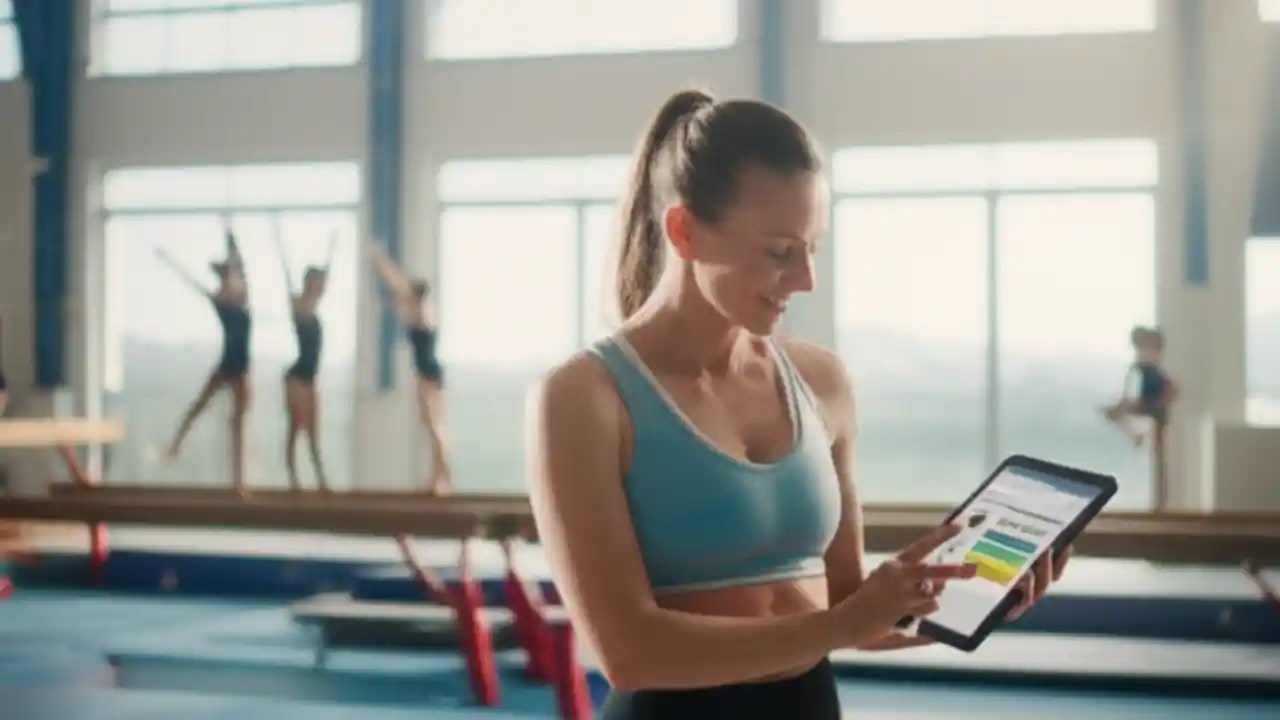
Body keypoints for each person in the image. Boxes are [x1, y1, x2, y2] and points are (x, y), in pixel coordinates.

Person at [524, 88, 1073, 718]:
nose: (806, 279)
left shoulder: (822, 381)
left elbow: (856, 614)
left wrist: (966, 602)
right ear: (684, 231)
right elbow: (628, 652)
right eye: (780, 253)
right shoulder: (582, 398)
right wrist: (840, 626)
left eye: (813, 248)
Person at [157, 224, 252, 497]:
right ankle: (176, 444)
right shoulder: (222, 298)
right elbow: (192, 281)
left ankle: (239, 481)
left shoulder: (242, 293)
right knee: (200, 406)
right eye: (225, 275)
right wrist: (169, 261)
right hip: (228, 363)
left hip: (241, 367)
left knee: (238, 422)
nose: (228, 278)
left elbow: (239, 262)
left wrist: (229, 233)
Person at [367, 242, 452, 495]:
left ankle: (440, 479)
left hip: (426, 373)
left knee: (433, 426)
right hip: (432, 370)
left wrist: (379, 259)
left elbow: (396, 283)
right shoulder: (427, 310)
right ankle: (440, 477)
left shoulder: (418, 311)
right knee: (436, 426)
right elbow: (399, 288)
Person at [273, 224, 337, 493]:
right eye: (314, 282)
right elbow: (287, 273)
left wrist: (332, 249)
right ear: (307, 283)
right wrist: (280, 244)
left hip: (311, 378)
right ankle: (294, 479)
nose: (319, 286)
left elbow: (326, 276)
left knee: (313, 432)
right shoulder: (299, 305)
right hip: (297, 376)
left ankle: (321, 480)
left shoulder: (315, 303)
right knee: (296, 427)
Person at [1103, 326, 1178, 447]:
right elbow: (1129, 385)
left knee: (1158, 430)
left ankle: (1144, 435)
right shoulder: (1139, 368)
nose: (1143, 353)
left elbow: (1168, 387)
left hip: (1155, 403)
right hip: (1145, 402)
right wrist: (1126, 399)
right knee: (1114, 413)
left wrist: (1165, 396)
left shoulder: (1155, 371)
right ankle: (1137, 435)